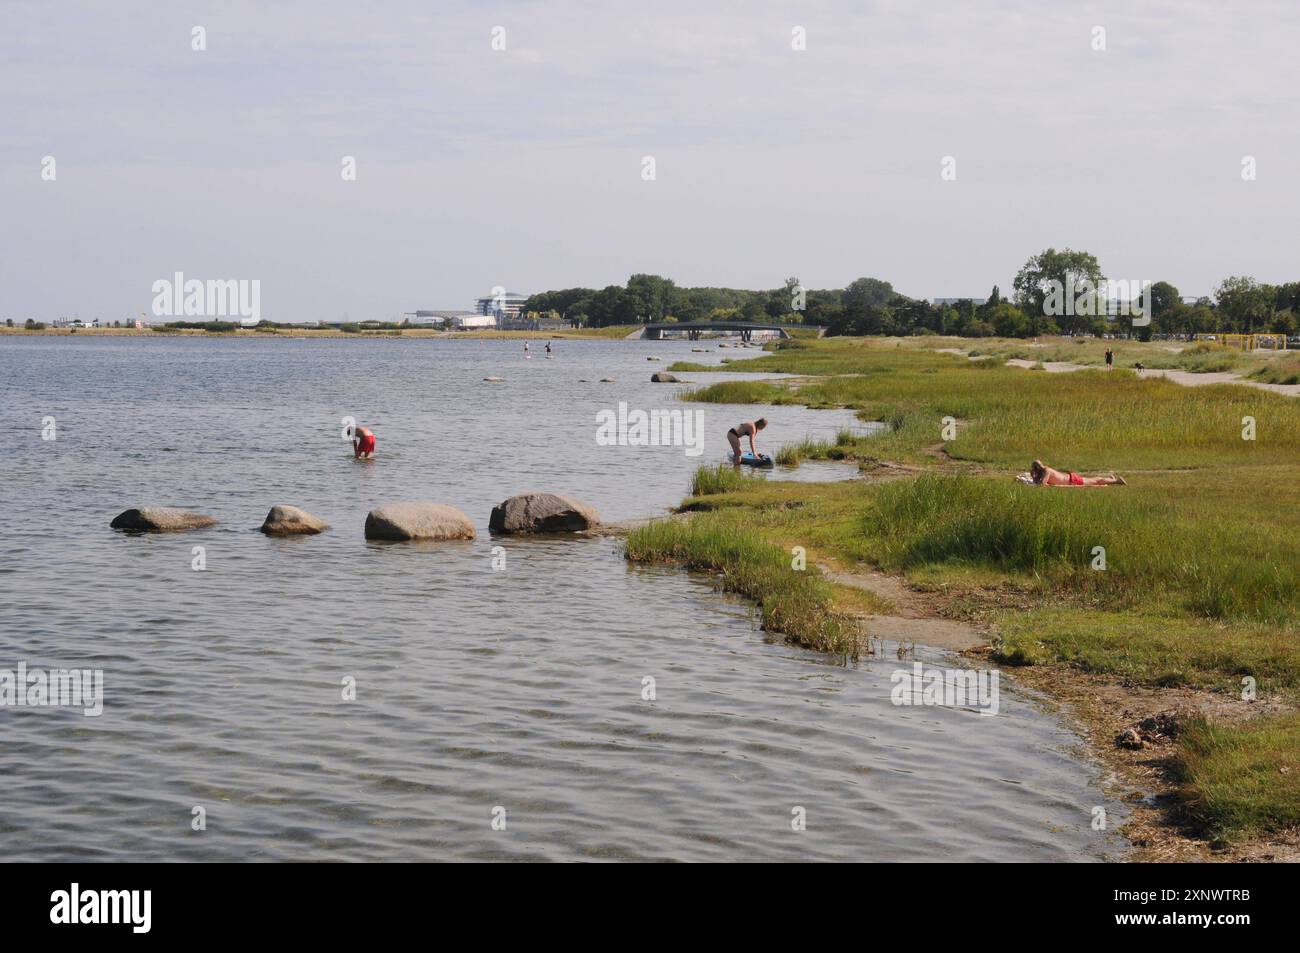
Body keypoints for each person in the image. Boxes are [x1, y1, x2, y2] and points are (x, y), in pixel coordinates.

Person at [1029, 459, 1124, 487]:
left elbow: (1041, 485)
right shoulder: (1044, 471)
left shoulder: (1046, 471)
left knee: (1095, 481)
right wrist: (1034, 476)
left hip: (1072, 480)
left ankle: (1116, 481)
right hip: (1070, 478)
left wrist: (1033, 477)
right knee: (1094, 479)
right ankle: (1111, 479)